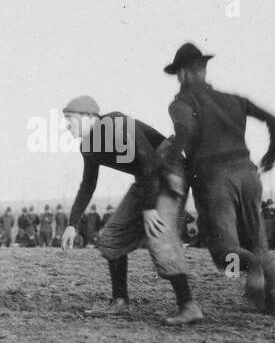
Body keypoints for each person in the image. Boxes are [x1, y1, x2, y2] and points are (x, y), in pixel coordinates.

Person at [163, 42, 275, 313]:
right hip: (249, 174)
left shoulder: (182, 103)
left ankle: (250, 266)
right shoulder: (233, 101)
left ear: (183, 73)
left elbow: (185, 132)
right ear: (203, 70)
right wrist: (271, 156)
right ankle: (274, 302)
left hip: (214, 179)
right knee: (258, 240)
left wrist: (170, 165)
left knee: (223, 252)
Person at [59, 95, 201, 324]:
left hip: (169, 170)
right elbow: (88, 185)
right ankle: (120, 301)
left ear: (88, 117)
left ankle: (188, 305)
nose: (66, 125)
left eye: (70, 118)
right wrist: (72, 224)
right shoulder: (88, 146)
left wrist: (149, 208)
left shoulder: (115, 124)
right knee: (112, 238)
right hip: (147, 178)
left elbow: (151, 162)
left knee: (158, 235)